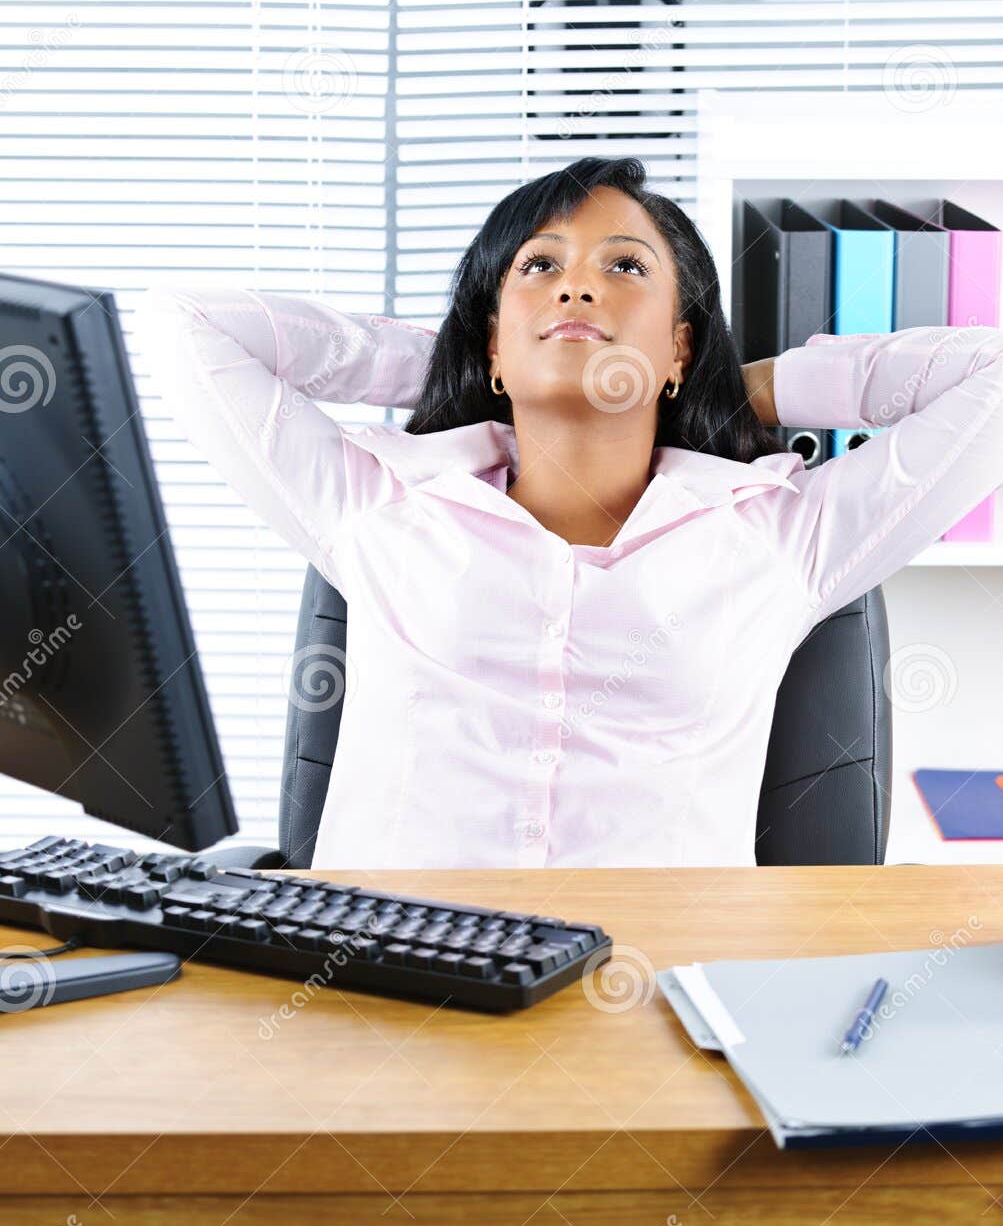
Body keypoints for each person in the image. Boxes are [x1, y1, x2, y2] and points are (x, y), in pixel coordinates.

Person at [145, 156, 1003, 867]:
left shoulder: (785, 535)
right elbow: (184, 325)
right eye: (539, 267)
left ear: (679, 347)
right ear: (489, 334)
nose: (576, 291)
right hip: (391, 990)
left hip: (660, 1003)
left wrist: (764, 386)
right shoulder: (378, 507)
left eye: (624, 267)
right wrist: (455, 362)